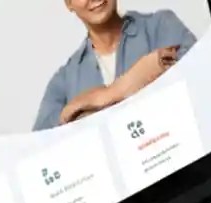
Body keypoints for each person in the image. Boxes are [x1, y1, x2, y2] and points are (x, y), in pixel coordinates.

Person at [33, 1, 196, 131]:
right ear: (68, 3)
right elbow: (40, 145)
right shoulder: (64, 81)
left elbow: (200, 73)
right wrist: (122, 88)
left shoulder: (161, 26)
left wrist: (90, 105)